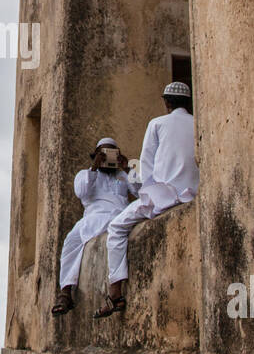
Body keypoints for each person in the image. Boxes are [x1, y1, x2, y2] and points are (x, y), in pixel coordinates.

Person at [94, 82, 199, 319]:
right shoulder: (197, 123)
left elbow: (146, 176)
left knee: (116, 228)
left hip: (166, 196)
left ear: (167, 103)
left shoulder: (157, 124)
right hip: (193, 193)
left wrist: (127, 168)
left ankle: (115, 294)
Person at [51, 137, 137, 316]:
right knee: (70, 241)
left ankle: (115, 293)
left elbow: (140, 190)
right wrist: (95, 167)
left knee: (116, 237)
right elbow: (82, 192)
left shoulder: (122, 175)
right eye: (104, 153)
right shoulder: (85, 174)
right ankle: (65, 292)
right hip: (92, 218)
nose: (108, 157)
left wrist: (128, 167)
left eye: (112, 152)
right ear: (97, 155)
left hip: (118, 215)